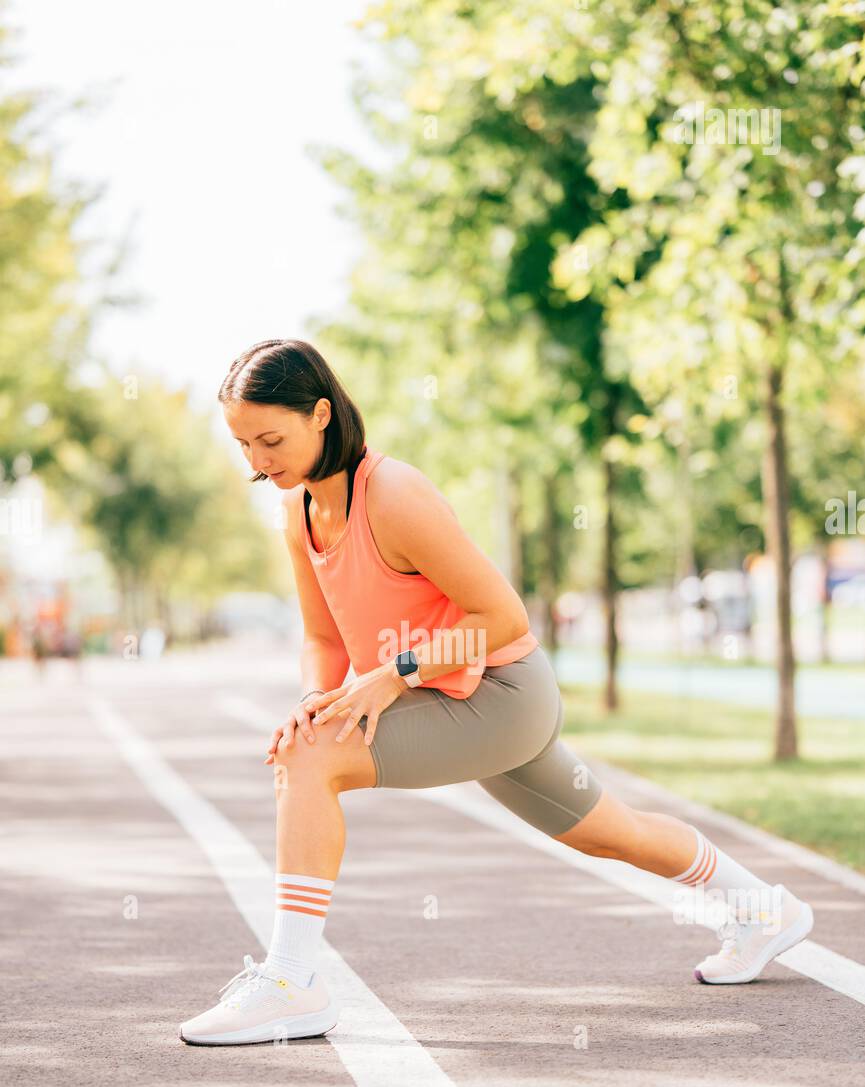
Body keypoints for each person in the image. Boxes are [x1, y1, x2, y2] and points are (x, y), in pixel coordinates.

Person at [178, 340, 814, 1046]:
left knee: (309, 763)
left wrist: (391, 676)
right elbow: (323, 639)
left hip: (503, 694)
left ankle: (293, 979)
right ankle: (760, 908)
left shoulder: (391, 494)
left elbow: (504, 619)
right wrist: (312, 698)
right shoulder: (298, 514)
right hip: (463, 700)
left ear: (321, 414)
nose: (257, 460)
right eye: (243, 444)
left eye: (271, 438)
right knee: (610, 833)